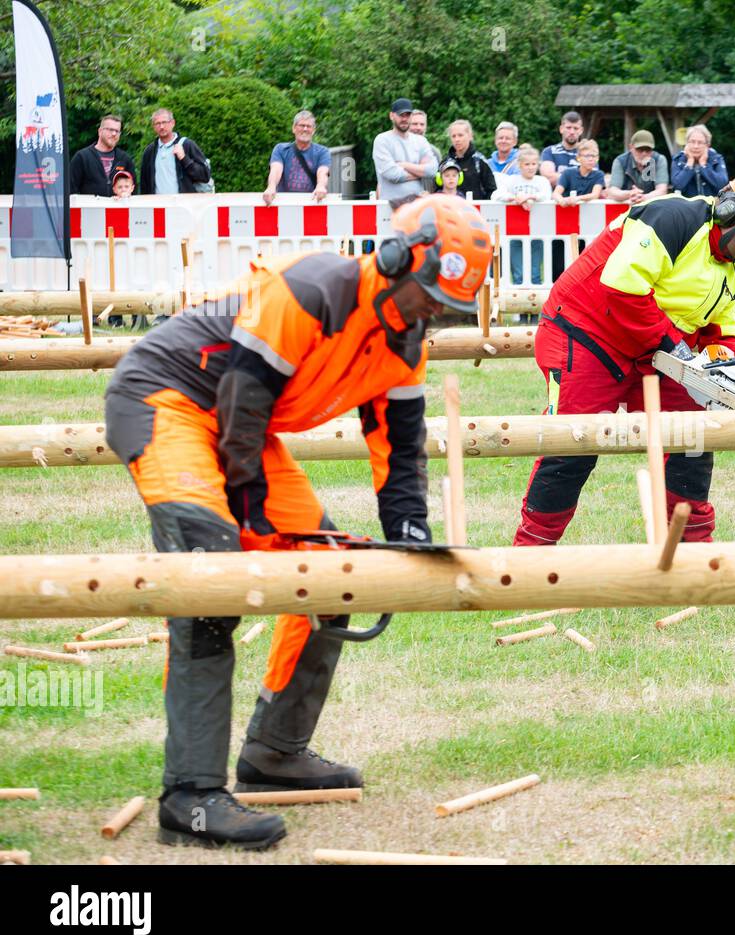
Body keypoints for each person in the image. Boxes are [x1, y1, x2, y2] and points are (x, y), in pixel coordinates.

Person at [102, 195, 493, 851]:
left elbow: (398, 455)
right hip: (170, 398)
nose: (430, 316)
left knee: (335, 572)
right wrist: (250, 511)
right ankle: (191, 798)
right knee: (211, 577)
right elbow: (243, 396)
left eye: (442, 308)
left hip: (237, 429)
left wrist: (411, 534)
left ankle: (273, 753)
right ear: (395, 260)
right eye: (427, 297)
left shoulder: (402, 349)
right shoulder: (312, 289)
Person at [511, 170, 735, 547]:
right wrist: (673, 346)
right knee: (574, 442)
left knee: (692, 436)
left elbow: (717, 321)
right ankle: (530, 551)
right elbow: (622, 290)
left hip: (653, 343)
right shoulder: (672, 218)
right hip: (588, 331)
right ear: (731, 210)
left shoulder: (730, 261)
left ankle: (692, 548)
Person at [491, 144, 550, 286]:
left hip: (537, 231)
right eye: (527, 164)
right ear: (519, 165)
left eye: (534, 164)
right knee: (519, 273)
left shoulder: (542, 181)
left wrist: (529, 197)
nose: (530, 167)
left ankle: (536, 306)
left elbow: (547, 195)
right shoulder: (511, 180)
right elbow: (496, 195)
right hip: (515, 231)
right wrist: (515, 197)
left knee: (535, 272)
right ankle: (519, 306)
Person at [372, 98, 439, 208]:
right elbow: (392, 174)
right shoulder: (382, 140)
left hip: (418, 206)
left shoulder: (421, 141)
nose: (404, 118)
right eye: (401, 115)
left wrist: (404, 165)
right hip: (390, 207)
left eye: (407, 115)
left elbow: (432, 170)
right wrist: (420, 172)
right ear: (391, 116)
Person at [262, 110, 330, 205]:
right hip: (284, 204)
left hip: (311, 203)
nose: (305, 129)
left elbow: (323, 172)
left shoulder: (322, 152)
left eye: (309, 126)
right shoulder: (281, 149)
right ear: (294, 128)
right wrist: (271, 187)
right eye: (302, 125)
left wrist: (321, 186)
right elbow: (276, 170)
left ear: (313, 131)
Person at [138, 108, 211, 195]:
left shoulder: (187, 145)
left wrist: (185, 159)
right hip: (158, 205)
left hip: (183, 205)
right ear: (153, 127)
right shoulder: (149, 151)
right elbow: (144, 185)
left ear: (173, 123)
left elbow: (205, 175)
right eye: (157, 123)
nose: (161, 126)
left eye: (164, 122)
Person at [69, 114, 135, 197]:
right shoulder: (82, 157)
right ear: (100, 131)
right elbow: (71, 190)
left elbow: (133, 191)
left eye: (117, 131)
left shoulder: (125, 159)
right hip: (90, 209)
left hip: (118, 209)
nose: (114, 133)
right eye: (110, 130)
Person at [606, 130, 669, 205]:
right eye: (640, 149)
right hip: (626, 208)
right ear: (631, 147)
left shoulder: (659, 160)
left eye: (648, 149)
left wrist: (643, 197)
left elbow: (662, 190)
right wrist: (630, 193)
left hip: (653, 207)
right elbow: (613, 192)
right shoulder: (620, 161)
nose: (644, 153)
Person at [671, 126, 729, 198]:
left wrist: (703, 165)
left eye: (700, 142)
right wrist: (690, 162)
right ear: (687, 143)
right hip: (685, 206)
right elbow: (677, 185)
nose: (696, 146)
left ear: (707, 145)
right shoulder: (678, 159)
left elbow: (722, 184)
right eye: (692, 142)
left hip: (712, 205)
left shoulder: (716, 159)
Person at [445, 119, 496, 200]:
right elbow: (438, 189)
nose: (457, 139)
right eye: (453, 136)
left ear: (470, 136)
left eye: (460, 135)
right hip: (451, 210)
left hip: (476, 209)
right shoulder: (445, 162)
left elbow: (492, 190)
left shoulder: (479, 161)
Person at [540, 111, 585, 188]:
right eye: (568, 128)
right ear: (561, 129)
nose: (572, 132)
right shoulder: (549, 151)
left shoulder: (587, 152)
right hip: (556, 198)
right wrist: (580, 178)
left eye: (576, 128)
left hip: (582, 198)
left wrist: (561, 177)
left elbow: (593, 180)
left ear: (581, 131)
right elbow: (548, 178)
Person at [554, 139, 604, 204]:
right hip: (567, 210)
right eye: (587, 156)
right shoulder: (568, 173)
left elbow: (595, 195)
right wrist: (562, 200)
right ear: (578, 158)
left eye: (594, 156)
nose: (591, 159)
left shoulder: (599, 174)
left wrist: (578, 198)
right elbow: (556, 193)